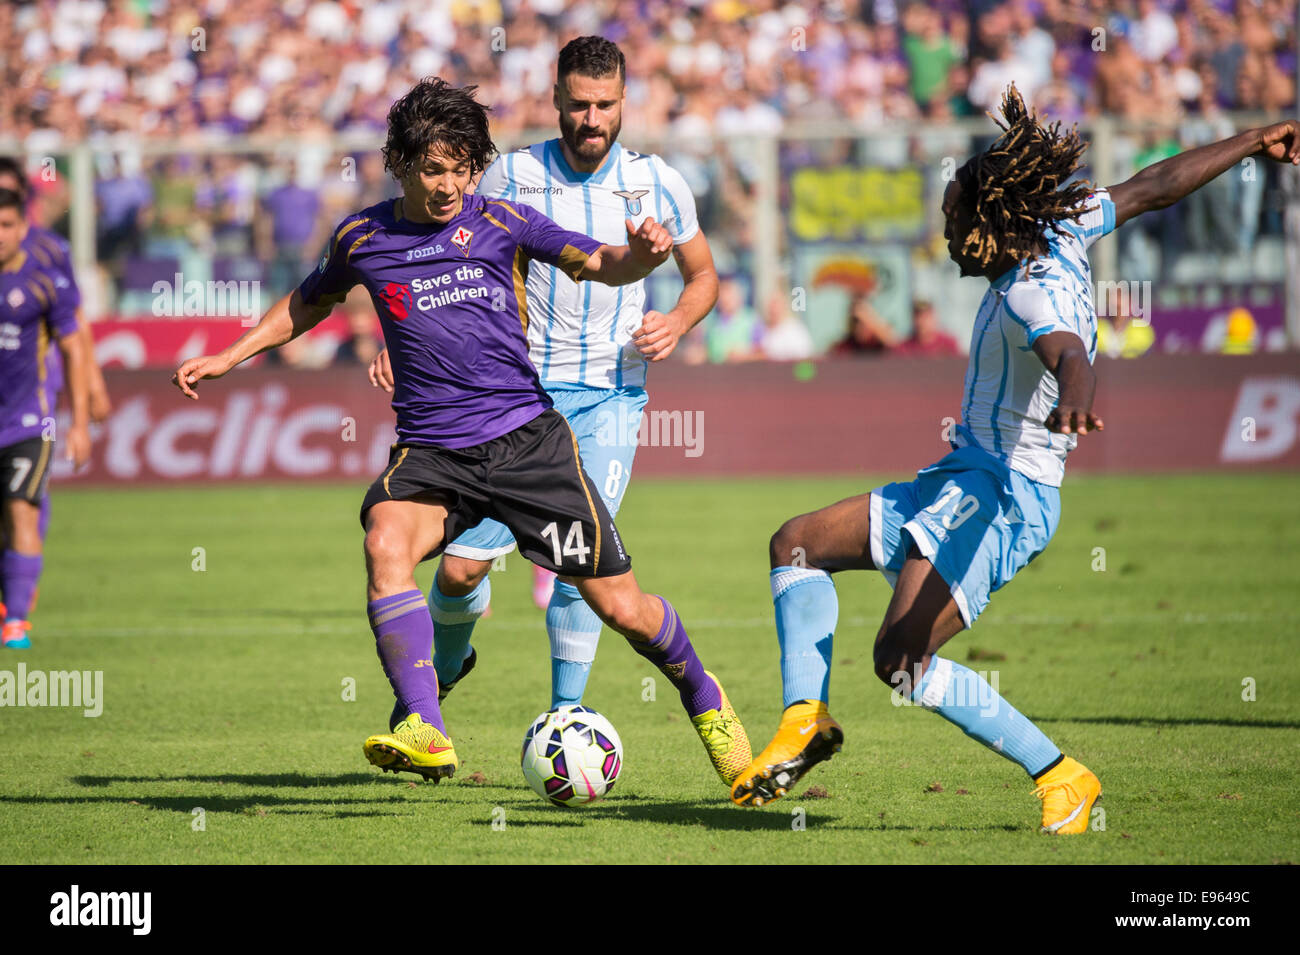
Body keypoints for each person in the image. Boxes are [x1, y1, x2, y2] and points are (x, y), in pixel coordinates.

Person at [730, 85, 1299, 832]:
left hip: (1004, 496)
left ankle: (1063, 776)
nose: (947, 229)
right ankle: (805, 720)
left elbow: (1065, 349)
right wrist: (1254, 139)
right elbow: (1154, 187)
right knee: (796, 543)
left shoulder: (1032, 294)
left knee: (901, 661)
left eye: (955, 218)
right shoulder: (1061, 228)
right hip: (961, 475)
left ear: (991, 226)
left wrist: (1078, 392)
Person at [172, 78, 750, 787]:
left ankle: (706, 699)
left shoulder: (503, 220)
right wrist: (230, 355)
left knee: (620, 606)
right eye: (434, 169)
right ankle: (425, 725)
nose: (450, 186)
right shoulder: (364, 236)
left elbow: (601, 262)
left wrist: (644, 258)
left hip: (527, 445)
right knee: (386, 541)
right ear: (403, 164)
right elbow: (306, 302)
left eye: (462, 168)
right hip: (434, 453)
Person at [369, 37, 721, 715]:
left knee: (580, 570)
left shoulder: (659, 183)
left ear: (625, 102)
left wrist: (677, 320)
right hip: (516, 403)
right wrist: (407, 339)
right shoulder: (510, 176)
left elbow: (702, 276)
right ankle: (446, 667)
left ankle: (566, 718)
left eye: (606, 105)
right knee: (459, 567)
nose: (593, 118)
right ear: (557, 97)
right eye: (580, 104)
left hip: (611, 396)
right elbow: (437, 259)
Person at [0, 157, 109, 635]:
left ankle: (18, 611)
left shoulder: (48, 256)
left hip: (32, 404)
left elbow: (74, 328)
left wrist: (89, 392)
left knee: (23, 504)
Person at [893, 300, 962, 357]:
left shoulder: (948, 345)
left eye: (925, 317)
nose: (921, 321)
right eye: (917, 317)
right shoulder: (904, 348)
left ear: (934, 317)